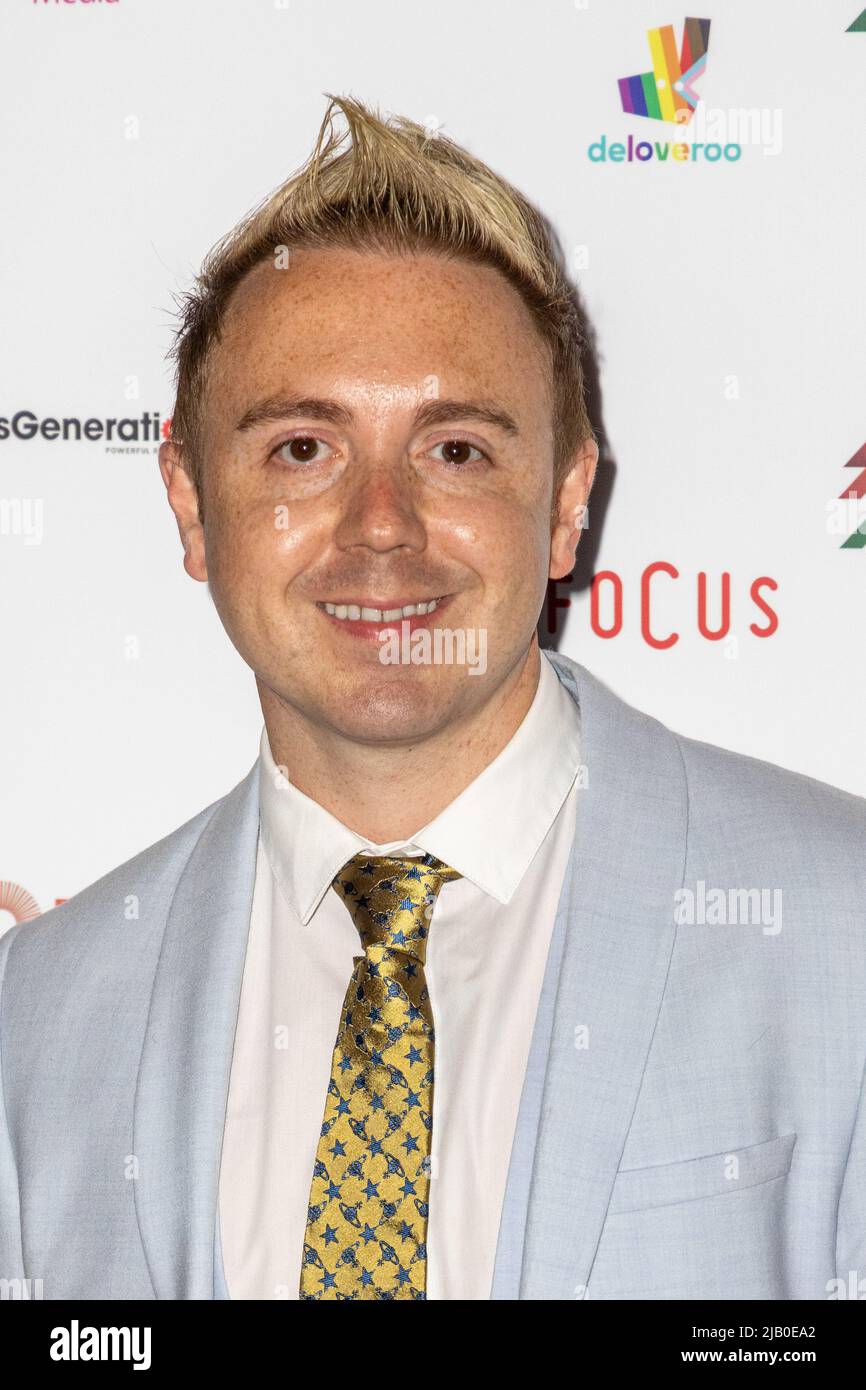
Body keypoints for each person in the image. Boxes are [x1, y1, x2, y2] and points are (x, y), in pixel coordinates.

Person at [1, 94, 864, 1302]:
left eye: (454, 448)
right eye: (302, 447)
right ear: (192, 504)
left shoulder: (838, 931)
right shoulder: (36, 1017)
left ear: (566, 501)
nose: (381, 527)